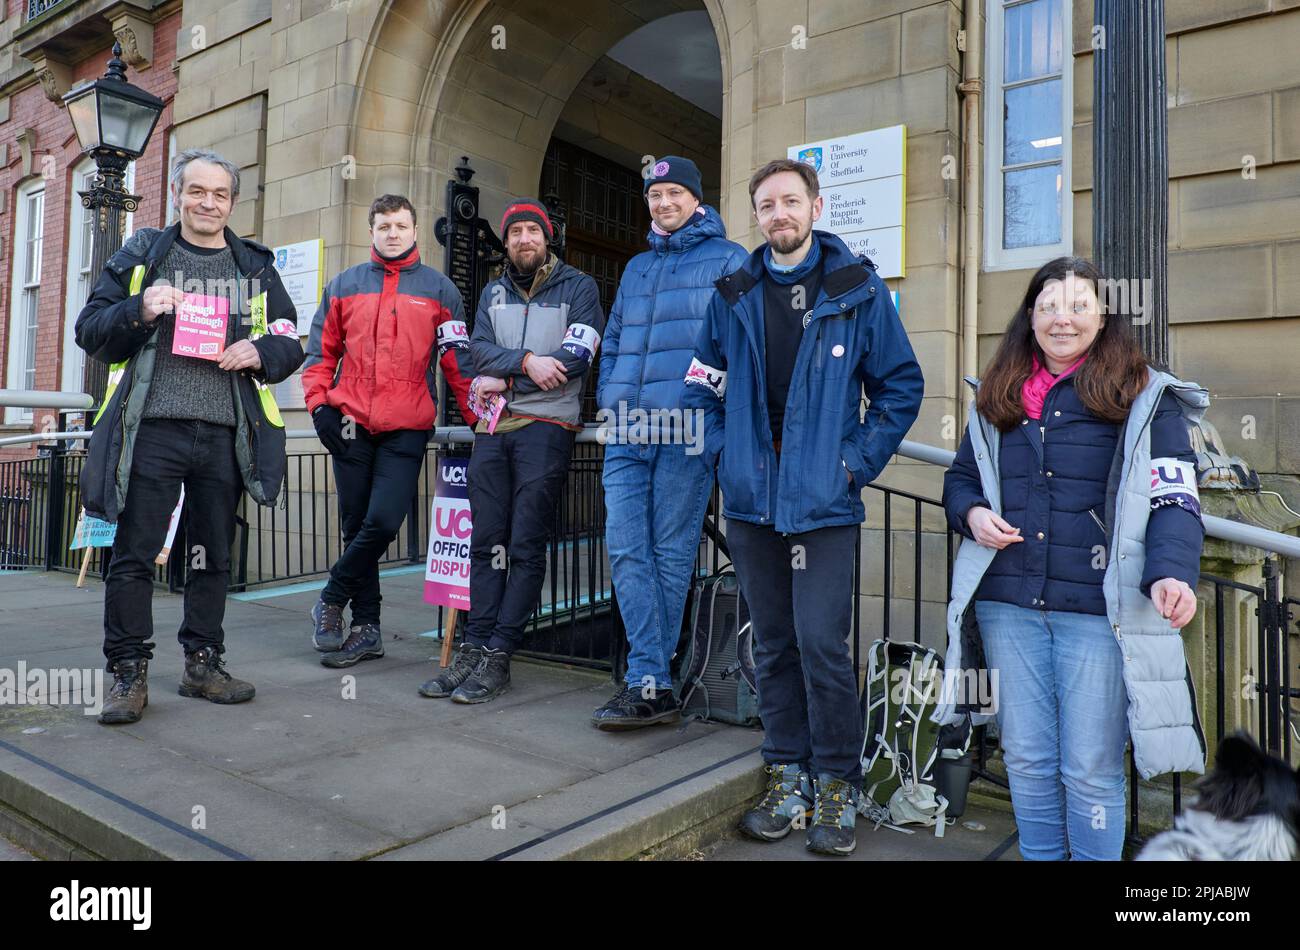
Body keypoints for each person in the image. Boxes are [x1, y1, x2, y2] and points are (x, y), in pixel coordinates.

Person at [681, 159, 924, 855]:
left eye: (791, 200)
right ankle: (786, 773)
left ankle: (837, 784)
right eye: (767, 204)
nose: (779, 213)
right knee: (772, 643)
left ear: (816, 206)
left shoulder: (857, 289)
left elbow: (901, 386)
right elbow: (700, 388)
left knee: (822, 644)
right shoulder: (732, 293)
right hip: (753, 502)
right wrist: (725, 451)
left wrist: (853, 462)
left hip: (823, 504)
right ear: (756, 215)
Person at [936, 255, 1207, 861]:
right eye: (1049, 305)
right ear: (1029, 316)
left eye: (1079, 305)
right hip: (1007, 603)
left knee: (1090, 768)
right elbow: (960, 481)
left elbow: (1174, 497)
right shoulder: (997, 394)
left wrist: (1172, 572)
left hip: (1097, 611)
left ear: (1103, 316)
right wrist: (973, 514)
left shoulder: (1144, 396)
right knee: (1028, 760)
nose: (1063, 318)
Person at [77, 148, 305, 725]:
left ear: (232, 201)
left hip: (227, 433)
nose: (209, 203)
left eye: (220, 194)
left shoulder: (253, 266)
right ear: (177, 194)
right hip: (152, 428)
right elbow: (90, 331)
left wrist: (261, 351)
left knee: (212, 556)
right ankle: (128, 671)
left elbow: (289, 337)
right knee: (133, 553)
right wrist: (140, 308)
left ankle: (203, 663)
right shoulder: (144, 255)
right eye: (197, 191)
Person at [418, 199, 604, 704]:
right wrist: (524, 361)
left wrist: (507, 374)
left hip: (546, 427)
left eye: (532, 231)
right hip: (493, 429)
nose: (524, 239)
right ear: (508, 241)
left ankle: (500, 654)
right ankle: (473, 647)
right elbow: (478, 350)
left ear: (548, 238)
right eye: (516, 231)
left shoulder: (579, 287)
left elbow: (578, 355)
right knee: (486, 542)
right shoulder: (494, 291)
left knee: (524, 544)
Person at [590, 156, 747, 730]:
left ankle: (649, 679)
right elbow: (613, 342)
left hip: (686, 430)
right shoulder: (635, 268)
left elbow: (742, 348)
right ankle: (651, 680)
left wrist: (715, 421)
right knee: (627, 549)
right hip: (626, 429)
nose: (663, 204)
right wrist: (609, 400)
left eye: (674, 193)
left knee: (670, 552)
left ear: (696, 200)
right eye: (654, 196)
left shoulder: (730, 259)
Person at [301, 194, 475, 667]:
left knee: (382, 522)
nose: (392, 233)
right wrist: (319, 409)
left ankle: (332, 596)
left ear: (415, 231)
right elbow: (321, 354)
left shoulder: (441, 290)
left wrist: (482, 422)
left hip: (407, 427)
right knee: (356, 526)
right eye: (383, 226)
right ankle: (367, 628)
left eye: (400, 225)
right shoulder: (343, 285)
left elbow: (457, 365)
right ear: (371, 231)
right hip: (350, 423)